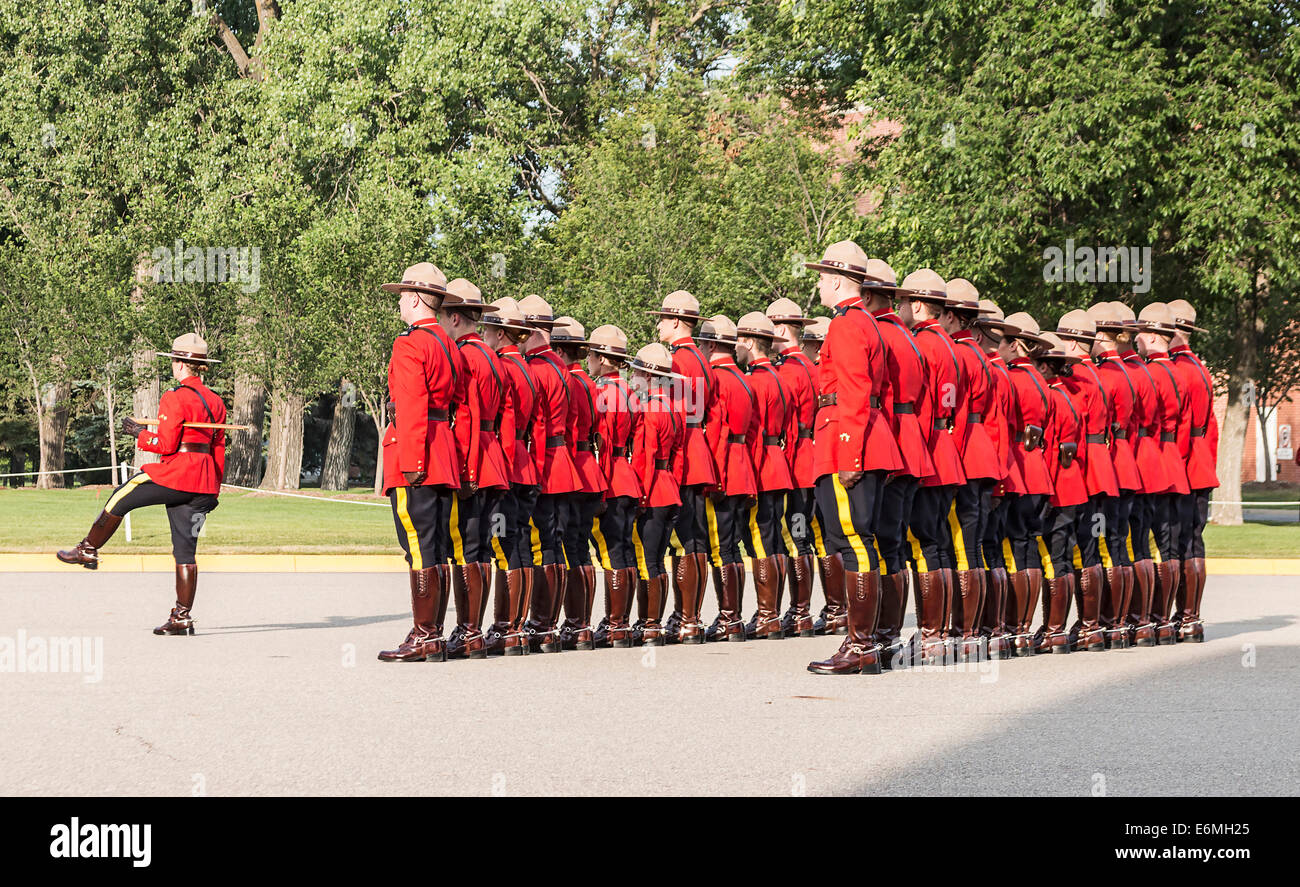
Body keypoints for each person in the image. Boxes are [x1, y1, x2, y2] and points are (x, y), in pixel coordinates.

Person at [58, 332, 227, 636]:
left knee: (121, 495)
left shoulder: (174, 397)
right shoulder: (216, 402)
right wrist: (214, 487)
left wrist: (137, 432)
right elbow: (218, 448)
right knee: (185, 551)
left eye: (174, 361)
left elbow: (165, 444)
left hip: (177, 473)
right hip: (204, 482)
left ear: (179, 364)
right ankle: (181, 617)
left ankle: (88, 549)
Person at [802, 240, 903, 675]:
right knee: (861, 542)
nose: (819, 284)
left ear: (839, 279)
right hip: (860, 435)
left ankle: (860, 646)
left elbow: (855, 393)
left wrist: (850, 453)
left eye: (823, 276)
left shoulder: (846, 324)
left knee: (853, 542)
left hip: (846, 437)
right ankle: (868, 643)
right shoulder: (864, 322)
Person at [374, 263, 466, 662]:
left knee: (418, 547)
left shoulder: (409, 344)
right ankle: (435, 634)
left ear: (413, 298)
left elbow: (411, 407)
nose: (399, 302)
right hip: (443, 451)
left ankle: (425, 634)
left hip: (419, 453)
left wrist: (411, 461)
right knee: (437, 548)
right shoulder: (448, 343)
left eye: (401, 296)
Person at [861, 260, 934, 667]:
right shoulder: (908, 337)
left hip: (886, 441)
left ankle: (880, 635)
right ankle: (886, 635)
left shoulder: (880, 336)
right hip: (911, 442)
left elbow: (877, 396)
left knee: (876, 542)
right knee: (894, 545)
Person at [898, 268, 965, 665]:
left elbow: (921, 405)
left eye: (905, 301)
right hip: (947, 447)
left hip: (929, 448)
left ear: (920, 304)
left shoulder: (923, 343)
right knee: (937, 544)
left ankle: (932, 636)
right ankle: (939, 634)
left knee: (924, 546)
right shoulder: (949, 344)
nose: (901, 307)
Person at [437, 279, 506, 660]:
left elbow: (467, 416)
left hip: (474, 458)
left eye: (444, 316)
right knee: (480, 550)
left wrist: (465, 470)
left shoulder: (465, 356)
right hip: (493, 457)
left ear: (456, 317)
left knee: (467, 549)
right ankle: (473, 630)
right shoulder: (493, 356)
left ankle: (469, 631)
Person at [649, 290, 718, 643]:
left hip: (682, 450)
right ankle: (689, 616)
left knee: (685, 537)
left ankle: (687, 618)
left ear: (676, 321)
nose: (659, 324)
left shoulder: (677, 360)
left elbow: (667, 410)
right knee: (695, 538)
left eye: (662, 318)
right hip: (698, 445)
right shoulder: (703, 359)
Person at [518, 294, 583, 653]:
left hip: (546, 462)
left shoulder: (539, 369)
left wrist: (536, 471)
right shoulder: (561, 369)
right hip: (563, 461)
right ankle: (550, 625)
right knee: (554, 547)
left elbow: (539, 427)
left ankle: (542, 624)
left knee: (542, 546)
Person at [941, 280, 1002, 662]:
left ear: (951, 316)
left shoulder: (959, 354)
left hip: (966, 454)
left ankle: (966, 633)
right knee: (973, 548)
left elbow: (959, 415)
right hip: (983, 455)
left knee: (961, 548)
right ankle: (979, 631)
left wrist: (952, 455)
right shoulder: (978, 354)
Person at [1054, 309, 1120, 652]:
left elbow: (1070, 423)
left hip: (1082, 465)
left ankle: (1078, 627)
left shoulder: (1075, 376)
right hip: (1102, 463)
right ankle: (1096, 626)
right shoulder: (1098, 372)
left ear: (1070, 341)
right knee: (1093, 544)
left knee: (1073, 547)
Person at [480, 297, 540, 656]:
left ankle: (507, 627)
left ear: (501, 333)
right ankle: (515, 627)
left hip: (507, 464)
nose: (484, 334)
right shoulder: (527, 367)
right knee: (517, 545)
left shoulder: (504, 367)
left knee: (504, 544)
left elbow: (505, 422)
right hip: (523, 462)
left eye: (488, 329)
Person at [697, 315, 759, 643]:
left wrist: (714, 476)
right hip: (742, 465)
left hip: (723, 468)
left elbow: (717, 431)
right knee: (732, 548)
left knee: (720, 549)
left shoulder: (717, 379)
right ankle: (732, 617)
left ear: (708, 345)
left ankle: (728, 618)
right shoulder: (745, 379)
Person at [1086, 302, 1143, 650]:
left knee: (1100, 542)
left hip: (1105, 465)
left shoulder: (1102, 376)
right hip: (1127, 462)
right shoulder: (1132, 374)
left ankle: (1103, 623)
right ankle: (1119, 624)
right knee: (1119, 543)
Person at [737, 311, 797, 640]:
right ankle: (773, 612)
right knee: (775, 541)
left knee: (760, 541)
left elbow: (754, 433)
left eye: (738, 340)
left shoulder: (755, 382)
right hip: (780, 463)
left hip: (762, 465)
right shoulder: (779, 378)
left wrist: (749, 477)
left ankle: (767, 615)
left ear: (748, 341)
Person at [1135, 302, 1191, 645]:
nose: (1137, 338)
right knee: (1168, 545)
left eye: (1141, 332)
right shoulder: (1178, 372)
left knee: (1144, 541)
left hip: (1151, 456)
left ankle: (1148, 618)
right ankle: (1164, 621)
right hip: (1173, 458)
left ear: (1154, 335)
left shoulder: (1151, 373)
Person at [551, 316, 608, 650]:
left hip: (572, 465)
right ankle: (582, 625)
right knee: (580, 548)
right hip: (590, 467)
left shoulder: (570, 383)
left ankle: (575, 624)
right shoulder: (591, 383)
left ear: (559, 350)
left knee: (570, 546)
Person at [1001, 313, 1056, 657]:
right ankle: (1022, 629)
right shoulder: (1038, 379)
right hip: (1039, 469)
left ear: (1016, 344)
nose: (1000, 348)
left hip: (1019, 467)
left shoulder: (1015, 379)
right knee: (1029, 550)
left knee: (1012, 549)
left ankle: (1015, 628)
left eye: (1005, 342)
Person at [1116, 301, 1169, 647]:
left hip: (1130, 459)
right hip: (1156, 459)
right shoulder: (1151, 372)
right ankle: (1153, 621)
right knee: (1151, 544)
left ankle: (1132, 620)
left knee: (1129, 543)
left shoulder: (1129, 373)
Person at [586, 325, 643, 648]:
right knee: (624, 550)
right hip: (628, 474)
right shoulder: (632, 392)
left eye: (592, 355)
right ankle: (620, 622)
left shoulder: (602, 394)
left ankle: (615, 624)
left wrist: (600, 488)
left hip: (611, 475)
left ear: (603, 359)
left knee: (610, 553)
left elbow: (603, 445)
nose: (589, 360)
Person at [971, 301, 1022, 658]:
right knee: (991, 551)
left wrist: (998, 480)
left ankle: (989, 629)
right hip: (995, 469)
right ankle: (999, 630)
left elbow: (996, 430)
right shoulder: (1000, 371)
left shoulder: (991, 371)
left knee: (980, 551)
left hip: (984, 468)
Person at [1032, 333, 1088, 654]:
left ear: (1045, 366)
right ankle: (1056, 629)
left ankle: (1054, 630)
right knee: (1063, 557)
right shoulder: (1071, 396)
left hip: (1057, 483)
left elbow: (1048, 447)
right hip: (1072, 482)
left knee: (1054, 559)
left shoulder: (1052, 398)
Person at [1166, 298, 1218, 642]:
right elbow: (1210, 426)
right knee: (1194, 542)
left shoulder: (1179, 370)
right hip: (1201, 461)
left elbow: (1181, 425)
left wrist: (1175, 463)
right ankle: (1191, 618)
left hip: (1184, 462)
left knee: (1176, 541)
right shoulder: (1200, 367)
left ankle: (1179, 617)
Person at [766, 298, 819, 638]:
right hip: (814, 456)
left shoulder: (787, 371)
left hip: (796, 461)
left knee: (795, 536)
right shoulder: (813, 367)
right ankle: (821, 610)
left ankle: (800, 612)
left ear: (782, 329)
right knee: (811, 536)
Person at [628, 344, 685, 646]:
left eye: (637, 371)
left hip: (653, 489)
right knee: (658, 560)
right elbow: (678, 454)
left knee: (647, 560)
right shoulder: (674, 409)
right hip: (669, 487)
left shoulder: (650, 409)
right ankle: (654, 623)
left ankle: (649, 625)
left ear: (649, 377)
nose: (633, 376)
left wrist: (641, 496)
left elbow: (644, 456)